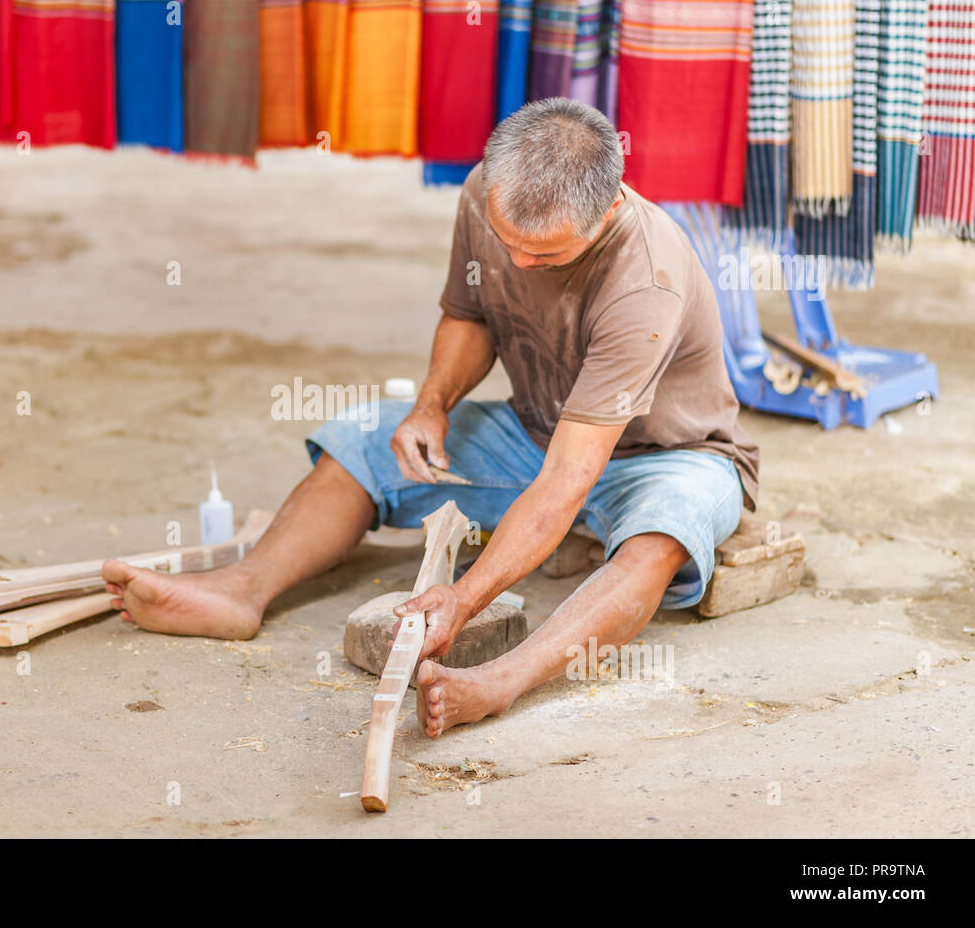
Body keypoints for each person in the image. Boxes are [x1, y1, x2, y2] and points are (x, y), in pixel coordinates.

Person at [103, 97, 759, 737]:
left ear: (610, 209)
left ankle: (501, 682)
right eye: (511, 246)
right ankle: (240, 590)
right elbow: (470, 315)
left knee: (661, 534)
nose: (524, 264)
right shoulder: (483, 193)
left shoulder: (646, 282)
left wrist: (463, 597)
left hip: (669, 456)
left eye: (549, 257)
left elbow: (566, 482)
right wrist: (431, 404)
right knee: (363, 437)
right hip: (535, 433)